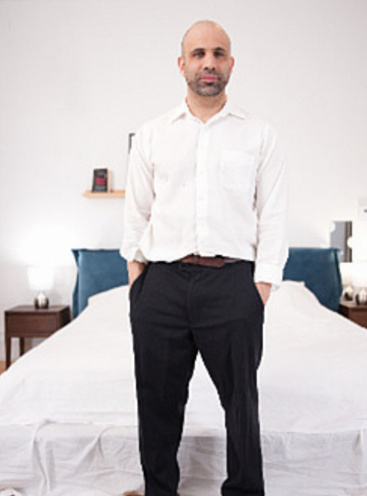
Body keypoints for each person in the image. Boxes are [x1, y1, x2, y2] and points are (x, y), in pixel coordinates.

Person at [121, 20, 288, 496]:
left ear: (231, 63)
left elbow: (273, 215)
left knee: (241, 404)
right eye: (198, 54)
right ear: (182, 64)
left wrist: (260, 288)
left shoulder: (259, 134)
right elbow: (136, 214)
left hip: (232, 284)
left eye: (218, 54)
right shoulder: (152, 134)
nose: (208, 63)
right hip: (161, 285)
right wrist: (138, 283)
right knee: (156, 402)